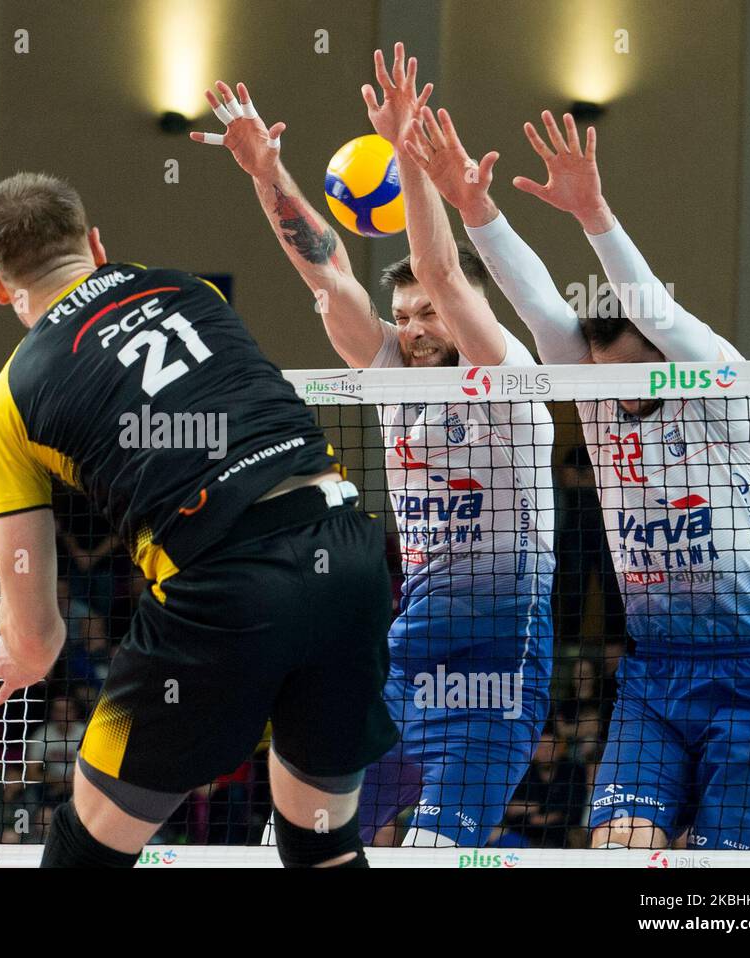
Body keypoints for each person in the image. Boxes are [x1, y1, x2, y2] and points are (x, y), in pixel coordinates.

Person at [0, 171, 397, 867]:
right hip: (348, 551)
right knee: (320, 840)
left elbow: (40, 640)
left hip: (224, 583)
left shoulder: (7, 403)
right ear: (97, 246)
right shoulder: (182, 287)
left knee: (87, 842)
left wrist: (22, 651)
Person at [408, 101, 750, 850]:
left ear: (666, 359)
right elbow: (537, 306)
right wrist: (476, 206)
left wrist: (594, 214)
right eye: (602, 377)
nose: (617, 393)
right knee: (616, 853)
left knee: (728, 881)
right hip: (655, 674)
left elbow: (652, 303)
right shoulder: (596, 398)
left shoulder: (721, 389)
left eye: (634, 377)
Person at [193, 44, 555, 848]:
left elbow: (442, 268)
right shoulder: (394, 370)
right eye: (408, 315)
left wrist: (405, 157)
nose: (417, 330)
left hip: (497, 670)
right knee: (298, 837)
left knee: (430, 854)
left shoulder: (508, 375)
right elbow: (327, 279)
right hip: (403, 655)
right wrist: (265, 174)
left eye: (431, 314)